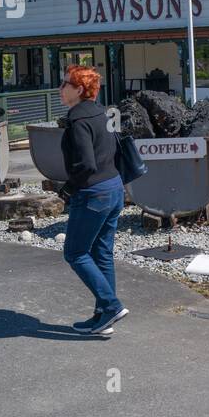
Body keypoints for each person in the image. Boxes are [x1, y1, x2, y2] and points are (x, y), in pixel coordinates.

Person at [57, 65, 128, 336]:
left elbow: (86, 163)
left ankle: (110, 306)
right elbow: (113, 149)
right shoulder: (102, 112)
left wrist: (68, 188)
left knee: (74, 252)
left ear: (79, 90)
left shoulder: (78, 121)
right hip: (114, 188)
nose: (60, 89)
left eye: (65, 84)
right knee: (101, 253)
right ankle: (103, 315)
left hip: (93, 193)